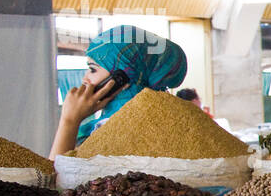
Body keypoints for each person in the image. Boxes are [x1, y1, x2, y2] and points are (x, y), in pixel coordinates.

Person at [51, 25, 187, 158]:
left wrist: (69, 121)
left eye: (93, 69)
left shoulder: (115, 134)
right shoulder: (171, 122)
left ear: (122, 78)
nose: (85, 79)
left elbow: (50, 178)